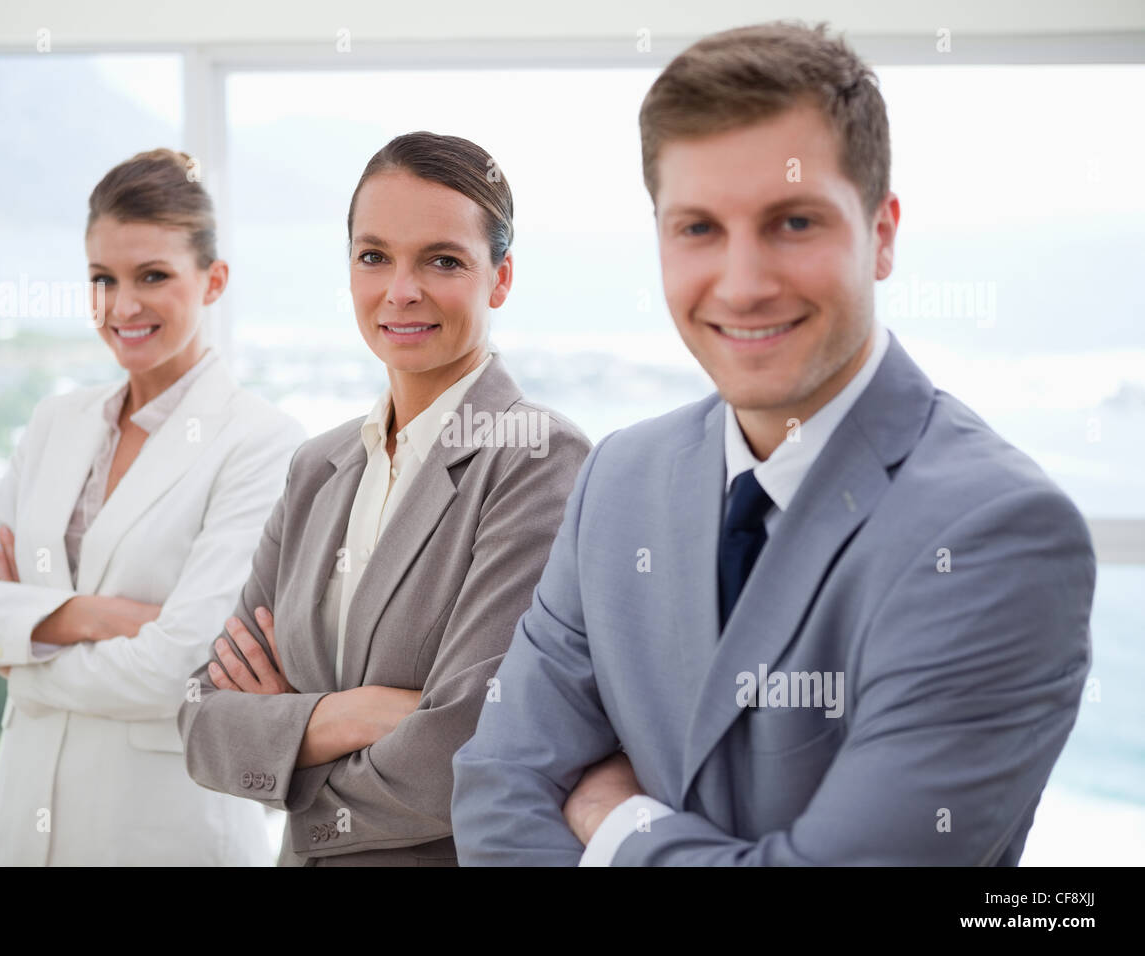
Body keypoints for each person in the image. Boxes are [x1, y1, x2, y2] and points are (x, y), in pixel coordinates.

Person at [451, 22, 1095, 866]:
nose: (745, 283)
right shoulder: (620, 478)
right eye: (698, 229)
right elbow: (499, 792)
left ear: (884, 233)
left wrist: (618, 825)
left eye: (793, 222)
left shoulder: (997, 534)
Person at [178, 131, 591, 866]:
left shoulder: (536, 458)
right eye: (375, 257)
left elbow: (464, 750)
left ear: (500, 278)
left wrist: (284, 736)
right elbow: (203, 721)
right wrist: (351, 715)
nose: (402, 290)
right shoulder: (320, 466)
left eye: (443, 260)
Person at [0, 148, 305, 865]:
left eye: (152, 276)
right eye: (103, 279)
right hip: (19, 830)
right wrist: (87, 617)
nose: (122, 306)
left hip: (163, 834)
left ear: (213, 281)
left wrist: (14, 646)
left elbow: (183, 667)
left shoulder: (262, 443)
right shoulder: (56, 422)